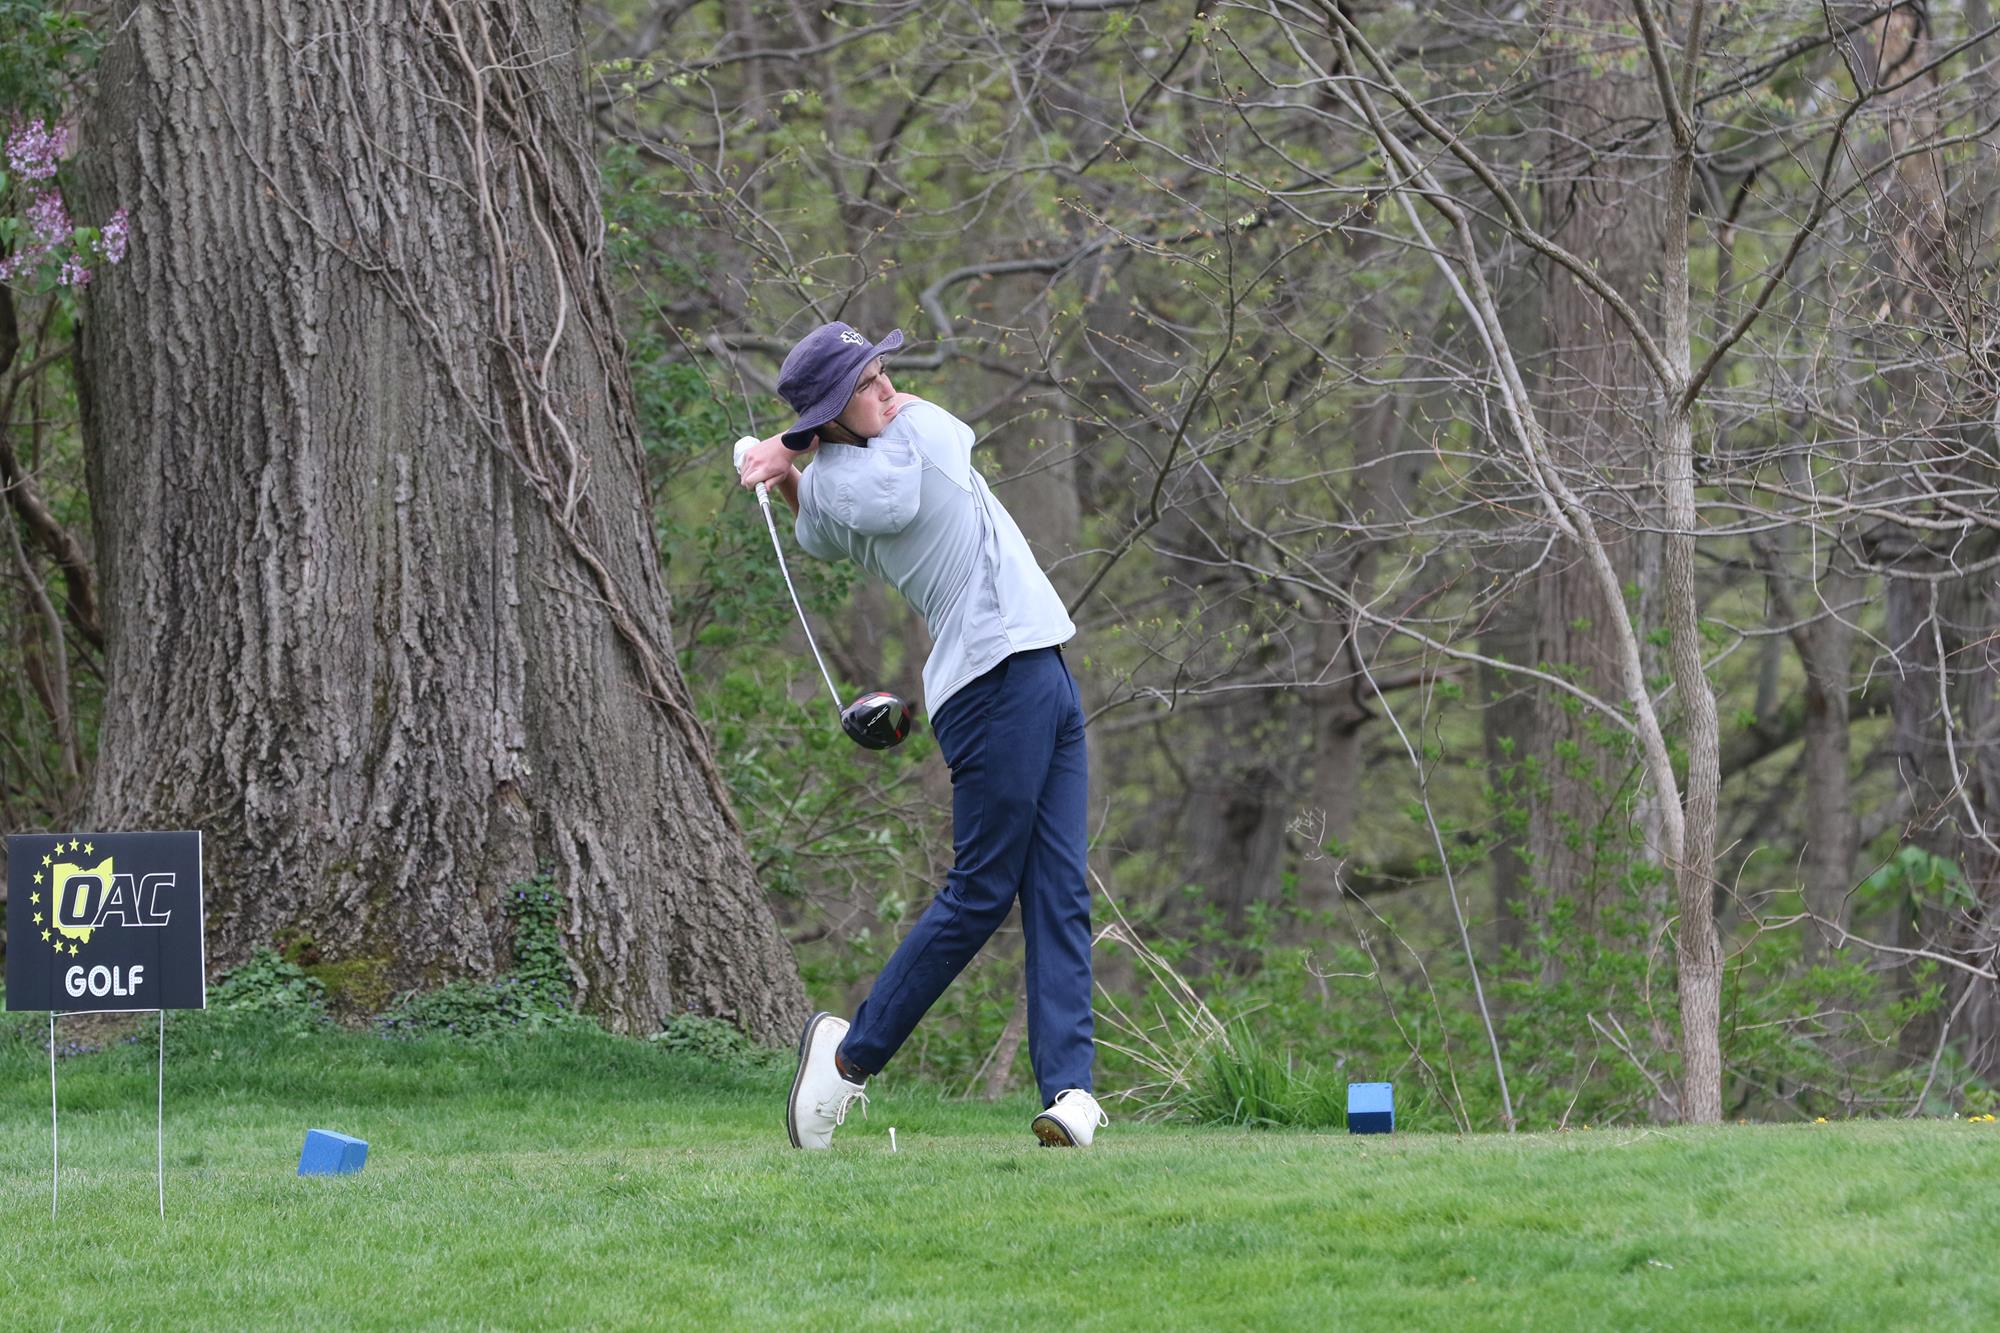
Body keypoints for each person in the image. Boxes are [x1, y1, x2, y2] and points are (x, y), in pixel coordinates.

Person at [737, 320, 1106, 1150]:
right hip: (991, 681)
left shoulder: (864, 463)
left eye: (882, 370)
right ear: (832, 416)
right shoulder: (896, 454)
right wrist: (788, 451)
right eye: (866, 385)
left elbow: (820, 519)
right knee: (981, 891)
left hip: (1040, 664)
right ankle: (848, 1057)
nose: (890, 389)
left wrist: (782, 459)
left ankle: (1070, 1091)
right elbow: (867, 498)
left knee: (1058, 888)